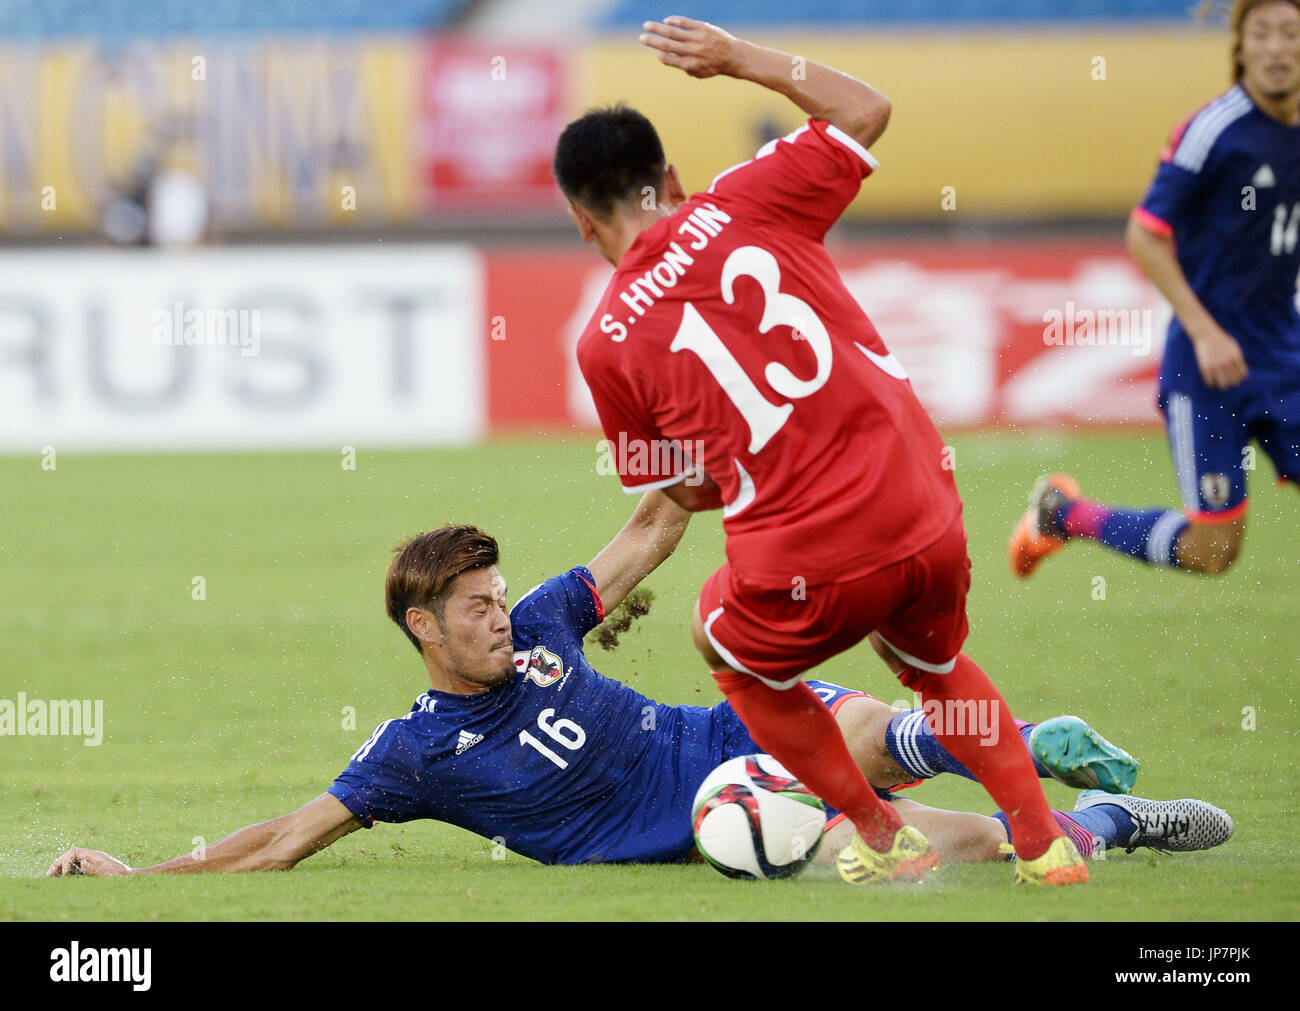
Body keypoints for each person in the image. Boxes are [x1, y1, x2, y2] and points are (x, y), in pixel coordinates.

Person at [556, 16, 1083, 884]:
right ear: (672, 179)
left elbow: (679, 492)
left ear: (581, 221)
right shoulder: (745, 197)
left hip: (805, 552)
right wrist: (734, 59)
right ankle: (1045, 845)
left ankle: (881, 836)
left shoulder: (605, 340)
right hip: (924, 510)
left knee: (721, 641)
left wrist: (746, 459)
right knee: (936, 666)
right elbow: (867, 108)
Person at [46, 494, 1232, 878]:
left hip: (727, 731)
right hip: (704, 821)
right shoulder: (413, 753)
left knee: (867, 720)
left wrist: (704, 461)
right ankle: (1113, 822)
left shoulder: (550, 622)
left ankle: (1008, 736)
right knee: (947, 843)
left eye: (500, 593)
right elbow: (285, 839)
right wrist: (147, 875)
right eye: (473, 607)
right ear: (422, 628)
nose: (500, 613)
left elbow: (651, 531)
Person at [1010, 0, 1300, 578]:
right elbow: (1145, 234)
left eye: (1290, 33)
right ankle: (1063, 516)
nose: (1276, 48)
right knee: (1212, 552)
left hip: (1282, 352)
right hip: (1207, 366)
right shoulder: (1214, 131)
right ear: (1239, 48)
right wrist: (1205, 331)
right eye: (1261, 33)